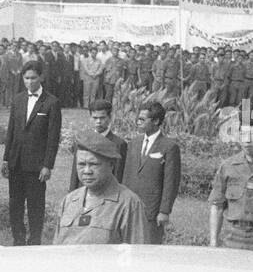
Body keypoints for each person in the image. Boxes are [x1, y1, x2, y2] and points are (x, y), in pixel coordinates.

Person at [1, 60, 62, 246]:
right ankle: (18, 239)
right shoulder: (18, 99)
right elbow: (11, 130)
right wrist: (6, 159)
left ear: (41, 77)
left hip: (36, 166)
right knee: (15, 205)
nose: (29, 82)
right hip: (16, 162)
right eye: (26, 78)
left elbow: (53, 137)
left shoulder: (51, 102)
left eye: (33, 78)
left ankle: (35, 240)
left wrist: (47, 165)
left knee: (36, 205)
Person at [54, 132, 149, 246]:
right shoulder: (69, 201)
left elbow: (139, 255)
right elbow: (56, 250)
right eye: (81, 164)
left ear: (111, 165)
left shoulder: (129, 204)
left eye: (94, 164)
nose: (87, 171)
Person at [120, 100, 180, 245]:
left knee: (149, 249)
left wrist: (164, 211)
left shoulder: (169, 147)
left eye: (142, 119)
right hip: (129, 207)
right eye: (138, 118)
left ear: (156, 121)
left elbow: (171, 182)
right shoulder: (133, 143)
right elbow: (126, 174)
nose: (138, 122)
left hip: (152, 211)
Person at [68, 99, 127, 192]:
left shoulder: (118, 144)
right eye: (95, 118)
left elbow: (118, 174)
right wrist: (72, 192)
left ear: (110, 117)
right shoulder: (82, 140)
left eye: (102, 118)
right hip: (83, 192)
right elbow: (75, 173)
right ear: (90, 118)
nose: (98, 121)